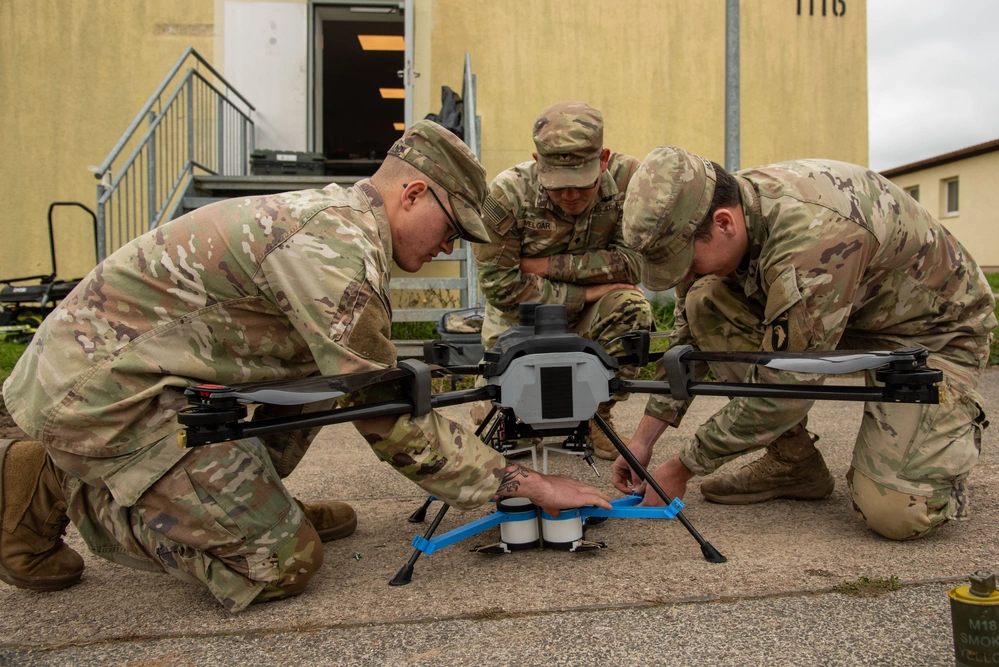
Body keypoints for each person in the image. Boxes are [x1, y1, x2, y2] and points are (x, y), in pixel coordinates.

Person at [0, 121, 610, 611]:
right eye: (452, 229)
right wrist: (526, 482)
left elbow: (354, 385)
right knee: (283, 565)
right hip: (102, 399)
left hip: (138, 375)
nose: (451, 247)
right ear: (413, 193)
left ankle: (245, 503)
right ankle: (65, 484)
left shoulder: (341, 223)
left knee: (321, 385)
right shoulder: (333, 249)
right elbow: (389, 416)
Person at [611, 145, 995, 540]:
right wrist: (642, 442)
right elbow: (687, 344)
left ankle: (941, 454)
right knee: (704, 299)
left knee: (895, 514)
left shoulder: (813, 241)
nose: (683, 274)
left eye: (686, 262)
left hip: (932, 337)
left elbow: (785, 389)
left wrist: (682, 466)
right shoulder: (730, 206)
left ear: (724, 223)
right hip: (846, 317)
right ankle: (794, 464)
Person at [472, 101, 653, 459]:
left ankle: (595, 417)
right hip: (521, 324)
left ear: (603, 160)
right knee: (508, 431)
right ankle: (512, 410)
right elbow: (501, 287)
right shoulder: (508, 194)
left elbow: (635, 263)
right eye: (558, 186)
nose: (570, 195)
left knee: (633, 309)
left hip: (587, 314)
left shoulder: (632, 180)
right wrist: (589, 291)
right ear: (537, 163)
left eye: (582, 185)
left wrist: (542, 265)